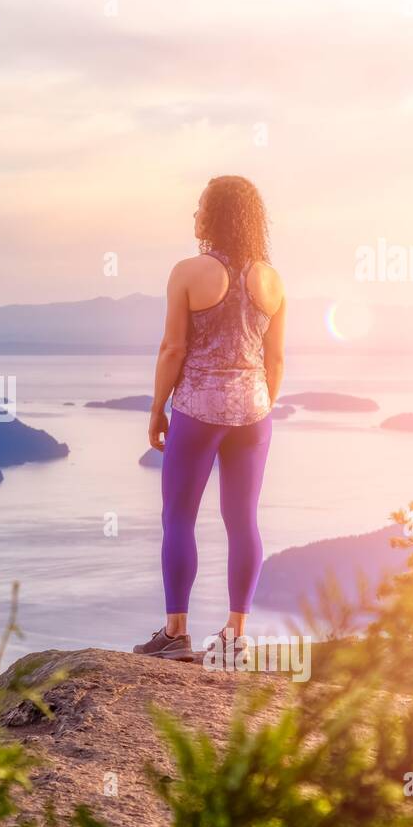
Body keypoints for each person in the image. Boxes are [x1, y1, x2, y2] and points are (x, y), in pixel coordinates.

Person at [133, 175, 285, 661]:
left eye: (199, 207)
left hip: (198, 408)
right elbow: (275, 359)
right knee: (243, 520)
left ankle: (176, 633)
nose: (193, 216)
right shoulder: (272, 279)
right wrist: (260, 406)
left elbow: (173, 347)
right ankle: (235, 636)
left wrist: (159, 408)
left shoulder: (188, 272)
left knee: (179, 516)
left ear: (214, 216)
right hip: (254, 412)